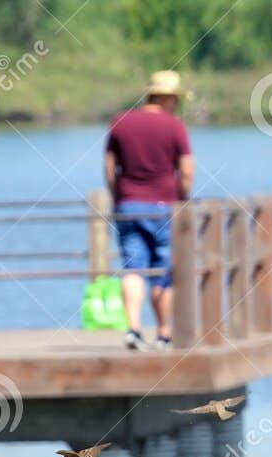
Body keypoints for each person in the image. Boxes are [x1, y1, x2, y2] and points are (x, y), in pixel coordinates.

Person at [105, 70, 195, 350]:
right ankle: (164, 333)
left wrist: (119, 196)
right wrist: (182, 198)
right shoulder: (174, 126)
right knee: (163, 271)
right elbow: (187, 172)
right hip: (164, 207)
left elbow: (109, 169)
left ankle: (133, 329)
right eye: (176, 100)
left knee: (132, 268)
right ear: (168, 98)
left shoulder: (120, 122)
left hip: (128, 206)